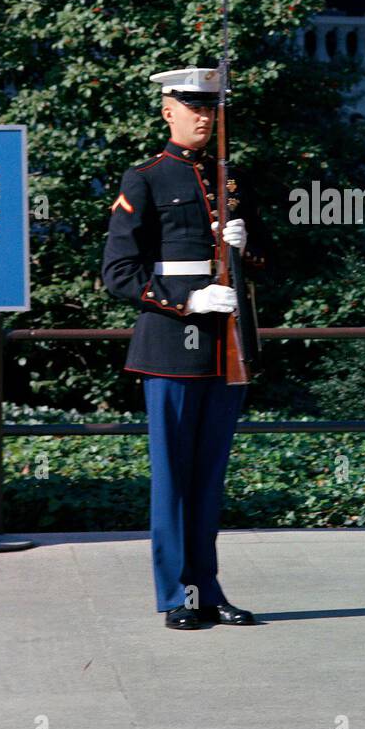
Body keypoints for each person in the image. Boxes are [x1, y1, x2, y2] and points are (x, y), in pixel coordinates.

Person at [102, 67, 258, 631]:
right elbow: (118, 272)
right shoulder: (144, 178)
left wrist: (244, 251)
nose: (204, 116)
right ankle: (177, 596)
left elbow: (259, 263)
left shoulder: (229, 178)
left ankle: (208, 590)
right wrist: (188, 301)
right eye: (192, 106)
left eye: (210, 106)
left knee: (208, 480)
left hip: (225, 350)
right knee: (172, 479)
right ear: (167, 110)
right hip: (171, 346)